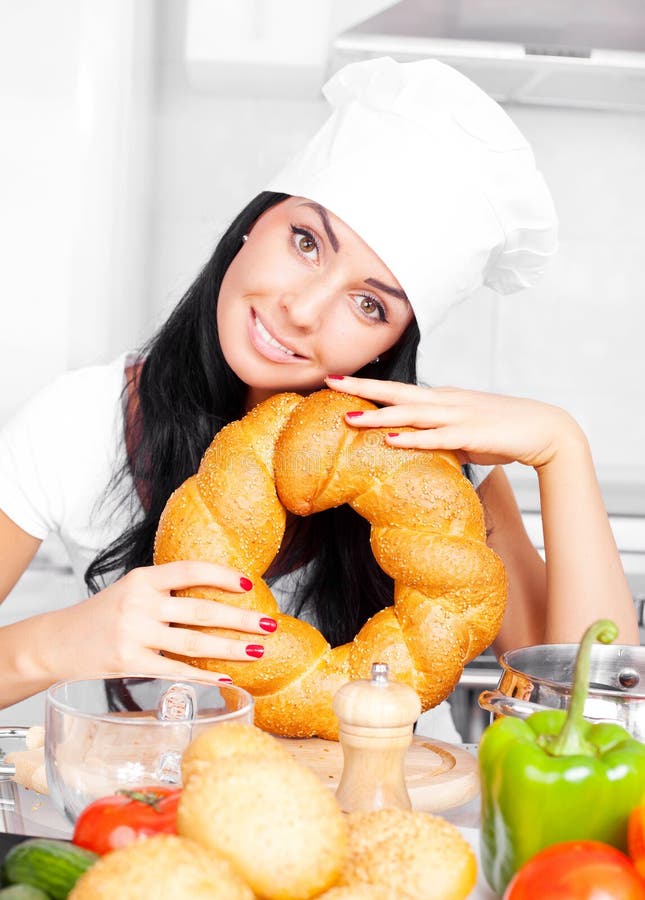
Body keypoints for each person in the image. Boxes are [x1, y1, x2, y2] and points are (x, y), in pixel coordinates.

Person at [0, 58, 637, 738]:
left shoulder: (427, 455)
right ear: (255, 221)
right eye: (305, 242)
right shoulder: (79, 421)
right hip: (161, 824)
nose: (302, 309)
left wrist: (560, 449)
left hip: (387, 823)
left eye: (368, 303)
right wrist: (59, 642)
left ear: (390, 341)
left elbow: (594, 725)